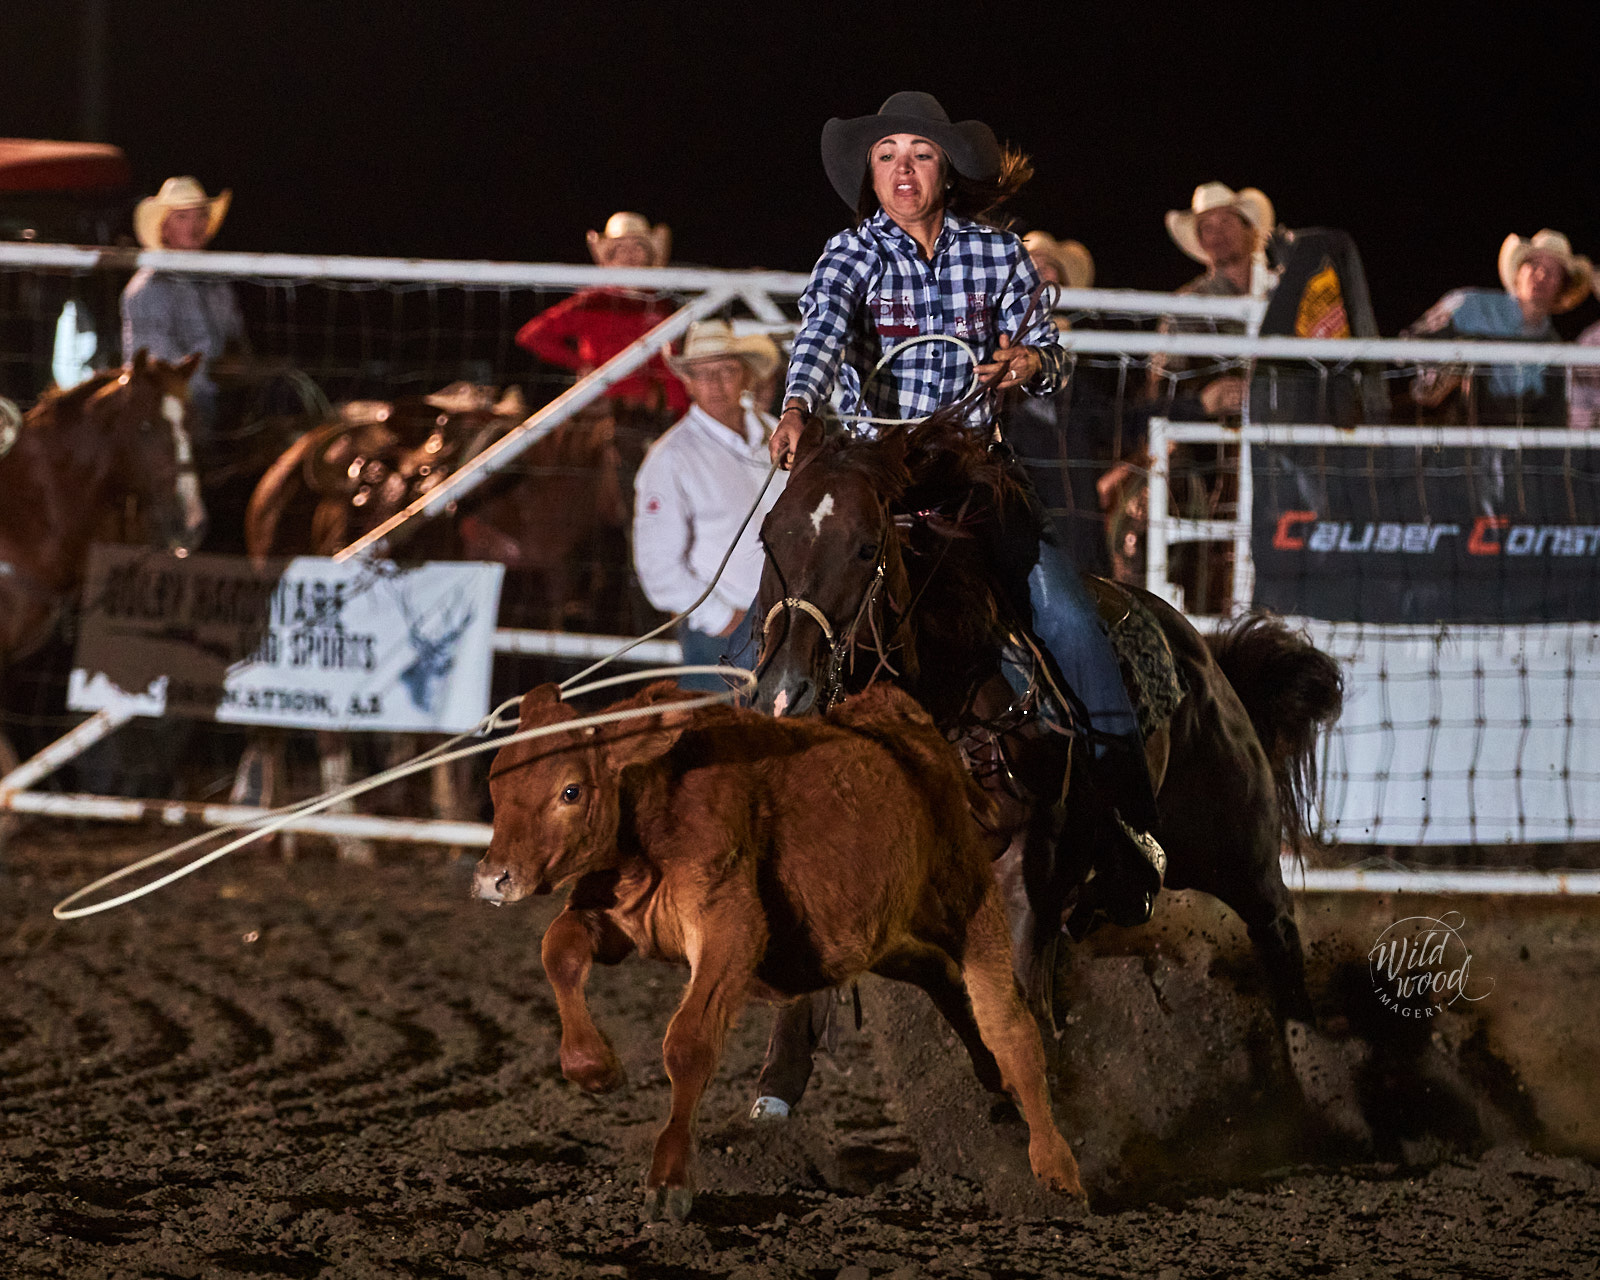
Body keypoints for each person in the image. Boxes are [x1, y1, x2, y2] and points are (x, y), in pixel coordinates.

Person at [769, 91, 1164, 925]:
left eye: (918, 154)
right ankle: (770, 798)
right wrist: (797, 405)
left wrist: (1028, 362)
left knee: (1069, 621)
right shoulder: (849, 256)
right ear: (869, 173)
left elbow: (1049, 353)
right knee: (790, 604)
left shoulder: (999, 256)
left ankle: (1129, 822)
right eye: (887, 156)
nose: (903, 170)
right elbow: (818, 335)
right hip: (875, 477)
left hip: (975, 479)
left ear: (944, 167)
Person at [633, 320, 785, 691]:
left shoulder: (776, 434)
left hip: (791, 622)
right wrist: (722, 619)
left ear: (745, 375)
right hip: (725, 633)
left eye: (726, 371)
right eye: (702, 374)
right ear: (688, 382)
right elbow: (658, 568)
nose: (715, 384)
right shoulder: (671, 456)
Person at [1405, 229, 1592, 427]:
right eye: (1533, 264)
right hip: (1446, 436)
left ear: (1562, 286)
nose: (1541, 275)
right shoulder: (1468, 306)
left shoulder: (1554, 348)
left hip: (1515, 447)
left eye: (1553, 271)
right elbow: (1406, 351)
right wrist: (1446, 371)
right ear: (1518, 273)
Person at [514, 211, 689, 420]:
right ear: (610, 258)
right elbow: (532, 335)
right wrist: (581, 365)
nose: (629, 255)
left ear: (650, 255)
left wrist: (681, 411)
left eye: (638, 246)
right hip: (604, 412)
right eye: (620, 248)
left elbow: (669, 363)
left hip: (653, 412)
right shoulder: (592, 301)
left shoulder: (661, 301)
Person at [120, 176, 245, 439]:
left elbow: (235, 342)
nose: (196, 225)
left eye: (200, 216)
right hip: (171, 412)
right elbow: (160, 371)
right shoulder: (148, 288)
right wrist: (219, 373)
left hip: (222, 402)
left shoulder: (216, 283)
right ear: (163, 228)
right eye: (182, 217)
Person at [1147, 182, 1277, 420]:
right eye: (1207, 227)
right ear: (1201, 241)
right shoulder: (1185, 305)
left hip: (1284, 424)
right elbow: (1163, 386)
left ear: (1250, 230)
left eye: (1227, 222)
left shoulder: (1279, 290)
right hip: (1213, 436)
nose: (1218, 234)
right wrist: (1205, 398)